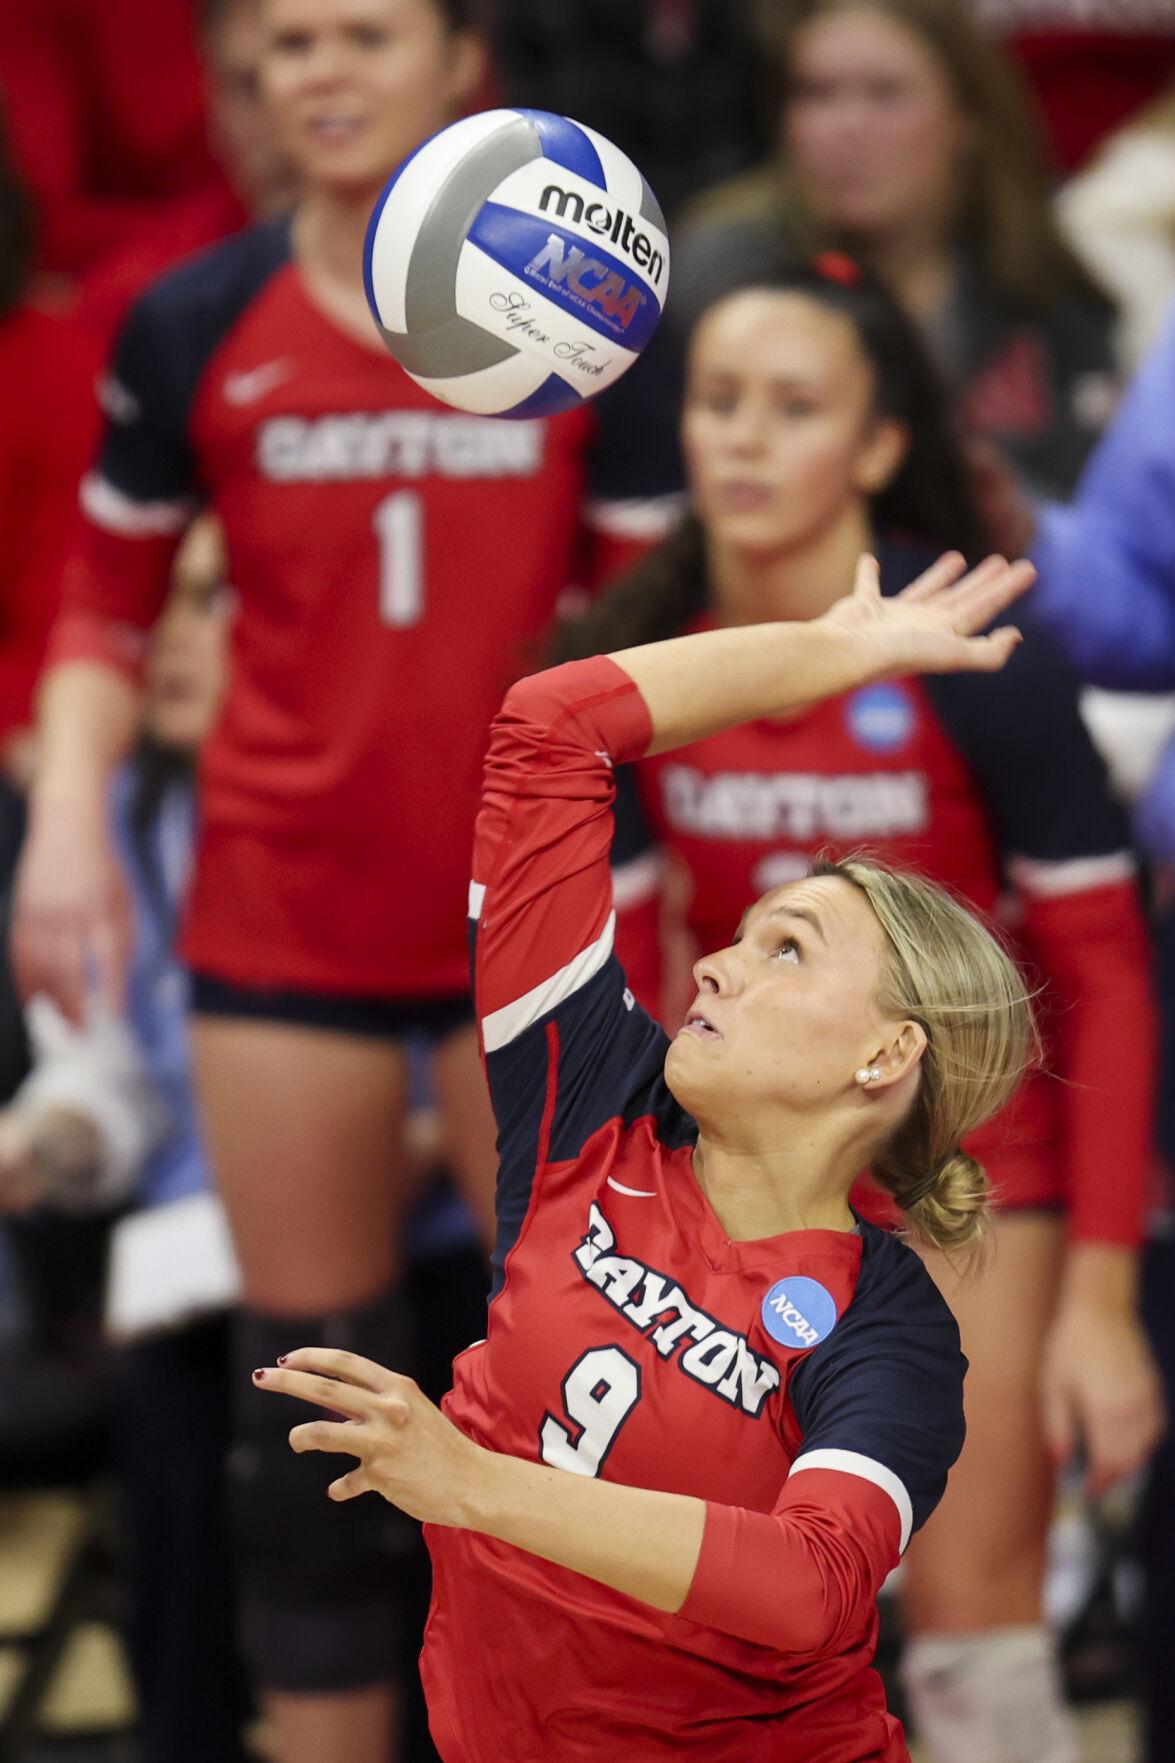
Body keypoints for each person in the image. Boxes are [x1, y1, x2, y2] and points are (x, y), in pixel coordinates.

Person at [10, 3, 675, 1759]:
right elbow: (104, 605)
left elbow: (657, 626)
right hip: (285, 908)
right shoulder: (193, 316)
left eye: (364, 34)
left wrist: (661, 874)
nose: (320, 73)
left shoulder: (577, 297)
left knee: (579, 1402)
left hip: (527, 921)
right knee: (309, 1410)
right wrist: (69, 813)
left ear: (461, 62)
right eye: (287, 43)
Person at [254, 548, 1039, 1762]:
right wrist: (832, 651)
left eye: (786, 950)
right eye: (740, 935)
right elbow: (552, 724)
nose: (716, 964)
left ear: (885, 1053)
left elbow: (810, 1584)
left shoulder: (883, 1328)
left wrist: (469, 1481)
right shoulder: (589, 1101)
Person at [553, 259, 1163, 1763]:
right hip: (743, 1194)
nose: (744, 439)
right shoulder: (644, 658)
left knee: (969, 1624)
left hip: (968, 1187)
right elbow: (615, 984)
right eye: (717, 401)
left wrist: (1096, 1300)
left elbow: (1101, 975)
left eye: (794, 406)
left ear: (879, 444)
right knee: (711, 1631)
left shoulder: (976, 665)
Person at [668, 0, 1119, 499]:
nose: (846, 127)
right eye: (817, 94)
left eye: (885, 94)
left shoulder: (1040, 281)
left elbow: (1096, 509)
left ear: (967, 117)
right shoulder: (721, 276)